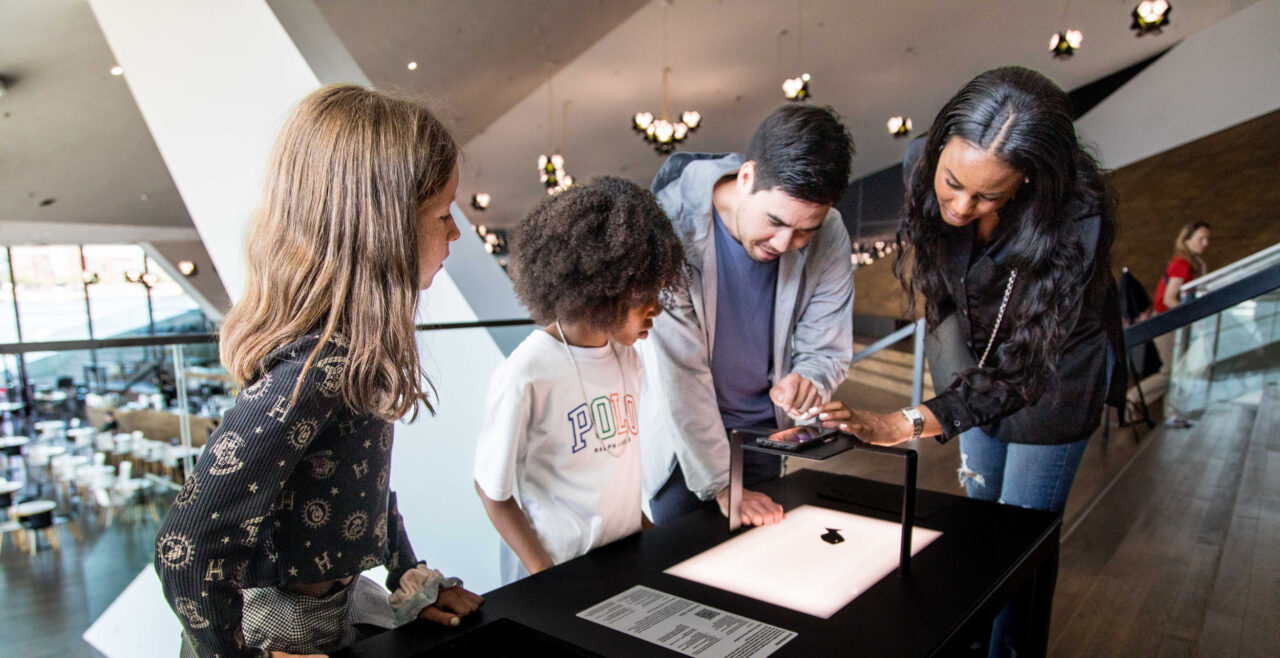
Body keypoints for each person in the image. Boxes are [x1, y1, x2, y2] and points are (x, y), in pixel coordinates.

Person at [156, 85, 483, 658]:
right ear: (382, 230)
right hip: (283, 631)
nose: (455, 232)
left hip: (335, 609)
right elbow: (186, 543)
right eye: (441, 214)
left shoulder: (352, 355)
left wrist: (411, 578)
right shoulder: (315, 372)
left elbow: (359, 483)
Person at [814, 67, 1124, 657]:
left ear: (1027, 179)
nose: (959, 205)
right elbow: (947, 298)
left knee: (1020, 540)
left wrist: (899, 422)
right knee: (978, 525)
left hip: (1052, 378)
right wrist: (950, 397)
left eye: (987, 194)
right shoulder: (919, 163)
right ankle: (974, 642)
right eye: (952, 181)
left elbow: (1024, 370)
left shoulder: (1075, 216)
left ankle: (1013, 650)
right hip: (971, 358)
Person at [641, 104, 856, 526]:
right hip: (682, 449)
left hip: (765, 440)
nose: (784, 242)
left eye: (804, 230)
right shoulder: (669, 227)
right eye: (775, 221)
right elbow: (679, 374)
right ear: (746, 178)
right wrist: (723, 483)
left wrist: (809, 380)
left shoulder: (830, 232)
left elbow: (826, 347)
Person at [473, 177, 686, 585]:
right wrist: (544, 574)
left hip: (621, 569)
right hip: (557, 581)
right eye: (644, 296)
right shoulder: (526, 375)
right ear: (601, 288)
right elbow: (492, 492)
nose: (656, 310)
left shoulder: (630, 360)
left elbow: (611, 482)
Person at [1145, 221, 1211, 426]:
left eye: (1207, 239)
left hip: (1175, 323)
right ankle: (1134, 401)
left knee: (1176, 371)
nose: (1205, 243)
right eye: (1201, 238)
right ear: (1187, 239)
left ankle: (1170, 412)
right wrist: (1193, 319)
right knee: (1173, 371)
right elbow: (1169, 299)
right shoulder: (1181, 264)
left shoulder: (1195, 264)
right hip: (1165, 323)